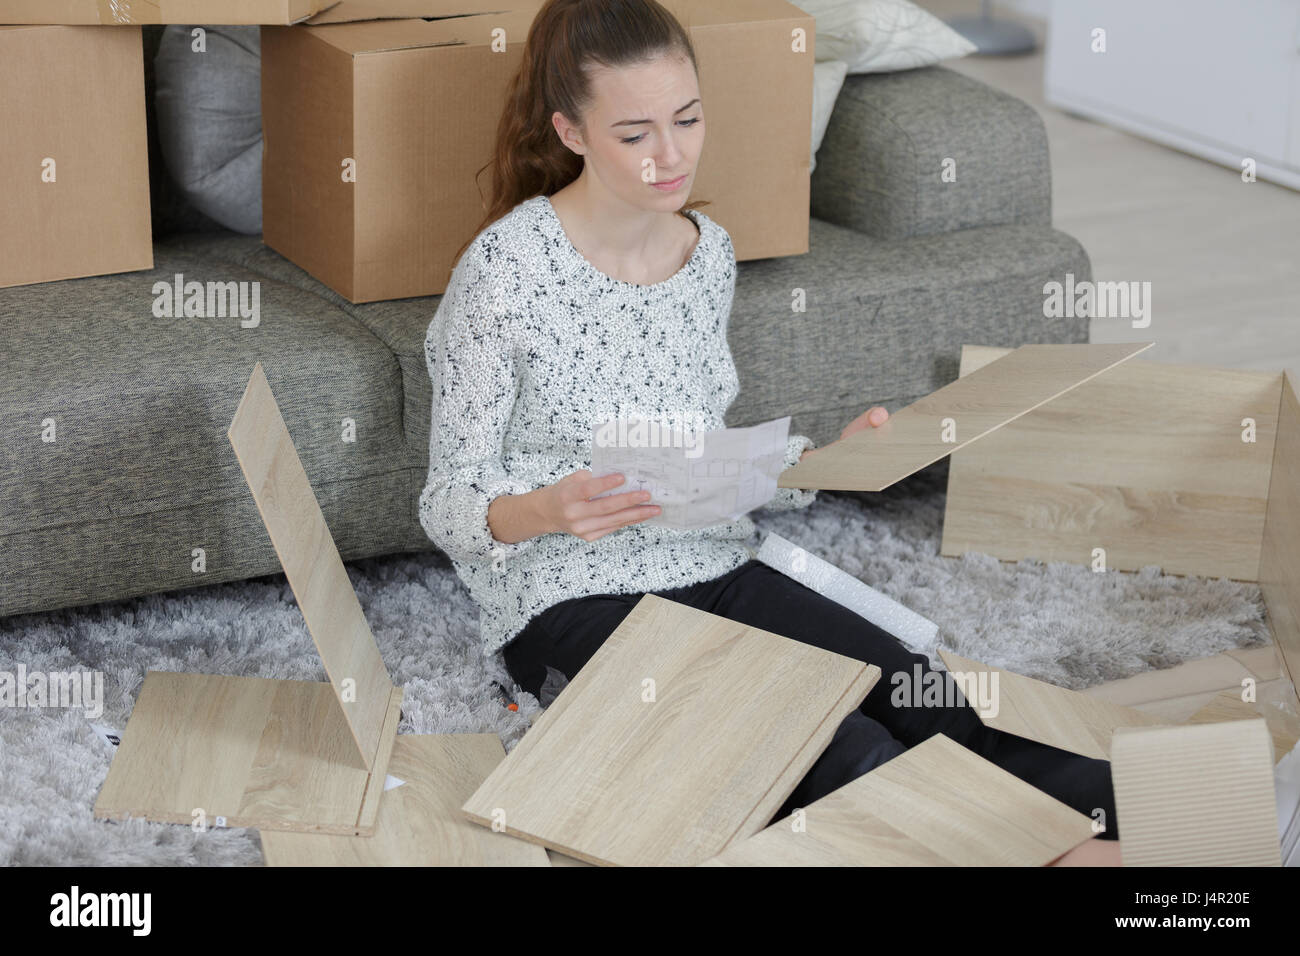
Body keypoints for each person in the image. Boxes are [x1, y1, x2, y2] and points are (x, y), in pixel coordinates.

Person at [420, 0, 1120, 865]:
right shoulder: (502, 273)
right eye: (635, 133)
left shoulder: (704, 252)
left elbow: (700, 446)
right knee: (832, 753)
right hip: (565, 595)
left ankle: (1165, 836)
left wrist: (828, 461)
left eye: (687, 119)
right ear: (571, 131)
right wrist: (546, 511)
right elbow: (448, 500)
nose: (670, 155)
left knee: (928, 700)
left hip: (712, 558)